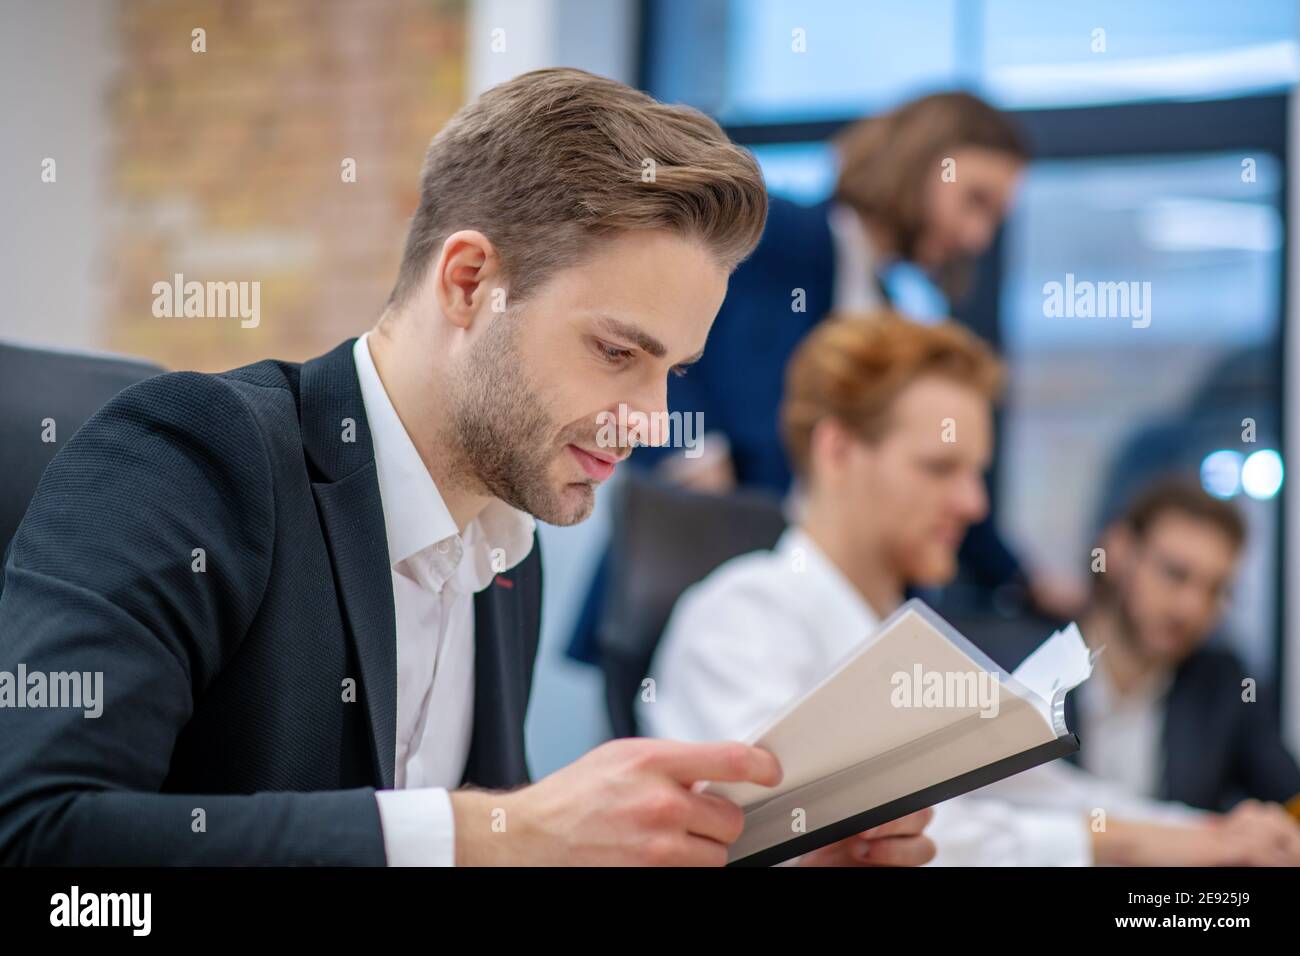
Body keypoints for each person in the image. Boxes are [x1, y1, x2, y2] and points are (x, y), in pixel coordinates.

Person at [0, 67, 933, 867]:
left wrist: (742, 850)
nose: (652, 422)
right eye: (617, 353)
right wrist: (493, 833)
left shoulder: (505, 535)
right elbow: (38, 837)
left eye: (672, 373)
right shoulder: (195, 453)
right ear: (469, 282)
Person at [641, 312, 1300, 866]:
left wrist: (1210, 834)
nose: (973, 503)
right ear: (838, 450)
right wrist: (1129, 842)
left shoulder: (908, 639)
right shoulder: (740, 616)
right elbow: (842, 832)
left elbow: (1041, 793)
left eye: (976, 473)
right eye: (941, 468)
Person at [568, 91, 1074, 669]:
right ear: (917, 163)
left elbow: (928, 463)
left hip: (799, 599)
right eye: (974, 201)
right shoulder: (779, 234)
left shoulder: (894, 310)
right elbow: (662, 331)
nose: (978, 237)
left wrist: (1019, 578)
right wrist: (695, 451)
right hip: (704, 561)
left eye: (993, 216)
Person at [1063, 477, 1300, 816]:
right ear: (1117, 552)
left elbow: (1290, 797)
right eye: (1175, 573)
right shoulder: (1021, 667)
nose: (1192, 608)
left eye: (1215, 589)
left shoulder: (1222, 684)